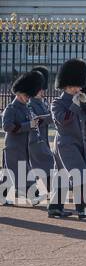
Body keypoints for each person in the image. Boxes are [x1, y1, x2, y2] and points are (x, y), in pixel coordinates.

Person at [49, 58, 86, 219]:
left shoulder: (80, 99)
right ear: (68, 85)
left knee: (61, 175)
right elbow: (63, 120)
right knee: (79, 174)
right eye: (77, 85)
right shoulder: (57, 102)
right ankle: (82, 208)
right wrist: (75, 104)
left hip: (79, 142)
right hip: (66, 144)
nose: (80, 88)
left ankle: (55, 208)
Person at [2, 71, 42, 206]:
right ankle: (32, 196)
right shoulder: (11, 108)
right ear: (18, 93)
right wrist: (27, 125)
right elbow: (7, 127)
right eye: (26, 95)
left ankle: (6, 197)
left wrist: (34, 123)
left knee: (13, 175)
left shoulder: (26, 108)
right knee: (21, 174)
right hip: (13, 148)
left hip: (23, 147)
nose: (28, 98)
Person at [26, 67, 55, 204]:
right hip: (34, 140)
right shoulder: (30, 104)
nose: (43, 91)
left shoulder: (43, 102)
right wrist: (52, 116)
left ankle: (43, 190)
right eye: (41, 89)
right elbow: (36, 120)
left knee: (42, 166)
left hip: (43, 139)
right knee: (46, 164)